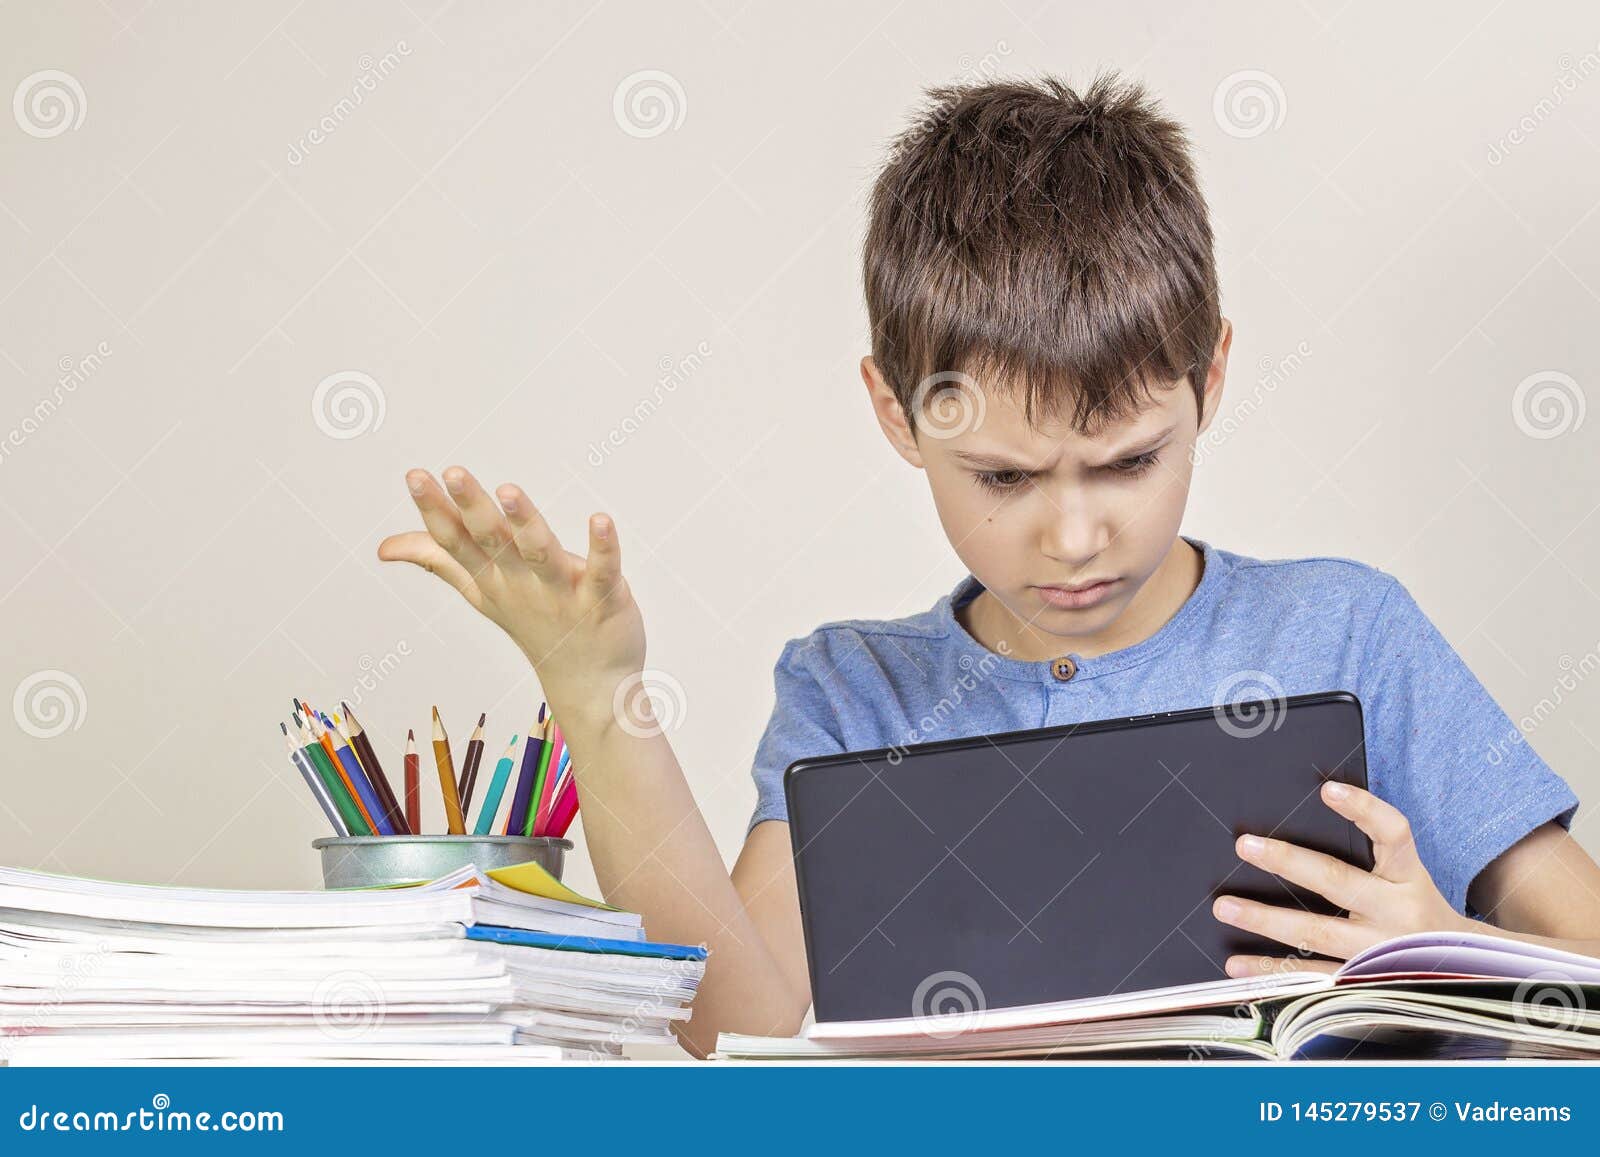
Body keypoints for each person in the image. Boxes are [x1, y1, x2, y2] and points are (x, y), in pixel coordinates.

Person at [378, 73, 1600, 1057]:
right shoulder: (855, 693)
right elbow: (732, 1026)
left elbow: (1583, 962)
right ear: (897, 413)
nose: (1072, 537)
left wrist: (1437, 954)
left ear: (1211, 379)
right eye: (1004, 478)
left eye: (1128, 462)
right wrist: (597, 692)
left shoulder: (1346, 631)